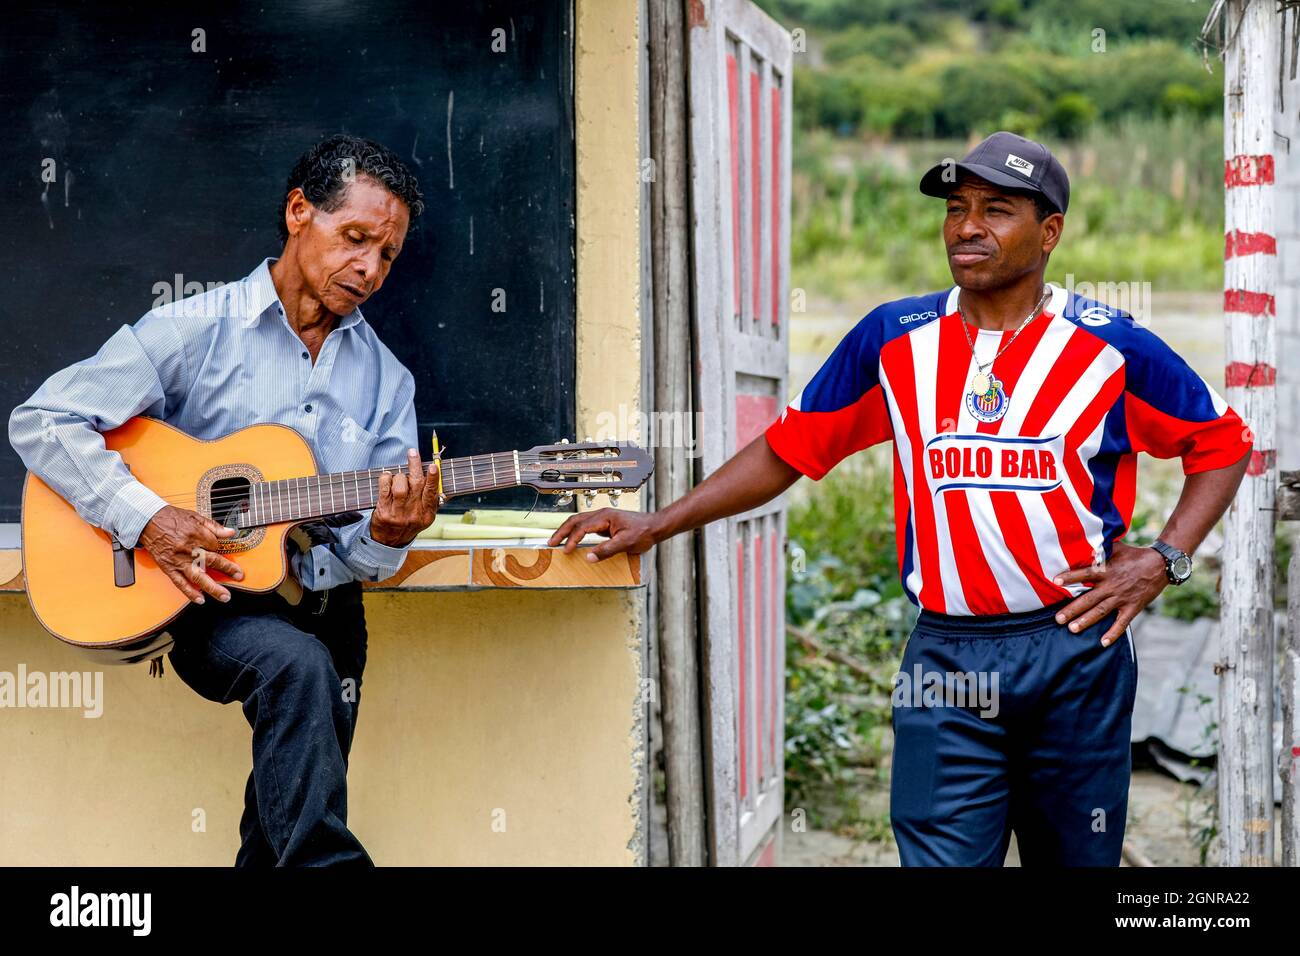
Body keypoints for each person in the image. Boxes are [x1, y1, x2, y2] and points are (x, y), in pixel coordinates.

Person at [550, 131, 1254, 866]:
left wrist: (1164, 560)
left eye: (996, 210)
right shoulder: (894, 338)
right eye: (956, 208)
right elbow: (789, 449)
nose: (967, 227)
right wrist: (659, 522)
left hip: (1076, 648)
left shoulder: (1112, 346)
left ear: (1050, 233)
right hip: (946, 660)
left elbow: (1224, 444)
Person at [9, 133, 441, 866]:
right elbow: (43, 420)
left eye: (387, 255)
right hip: (204, 598)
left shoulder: (386, 380)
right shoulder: (193, 330)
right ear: (300, 211)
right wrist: (148, 519)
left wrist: (392, 536)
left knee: (282, 812)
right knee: (295, 671)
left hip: (326, 610)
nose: (369, 268)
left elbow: (364, 556)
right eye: (356, 238)